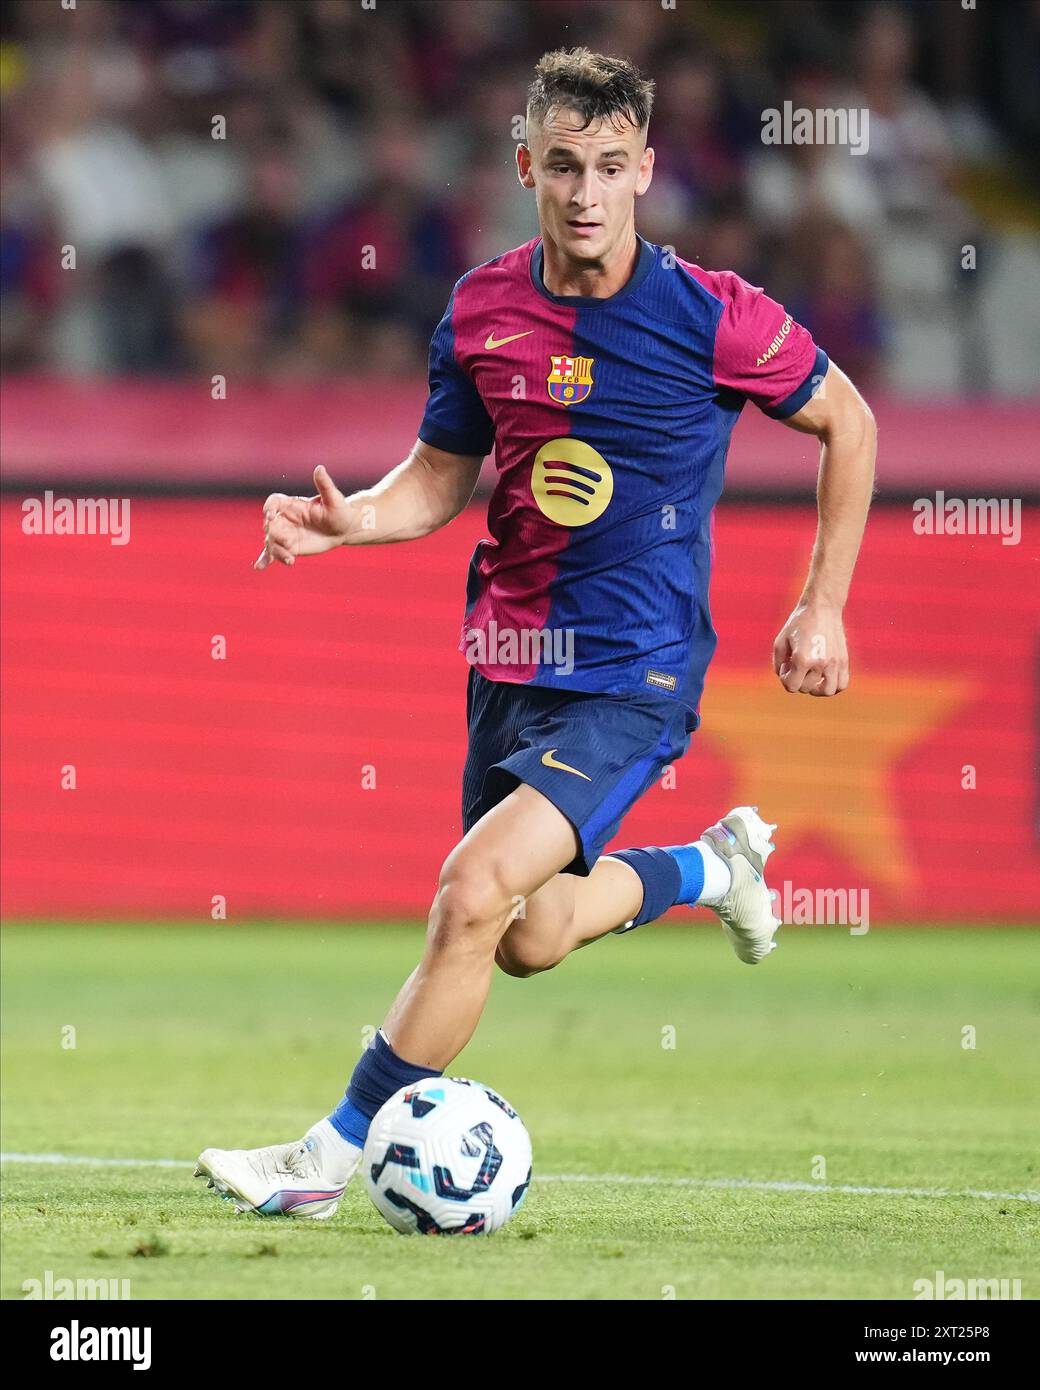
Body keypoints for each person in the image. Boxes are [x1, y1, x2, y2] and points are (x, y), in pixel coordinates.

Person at [195, 48, 876, 1219]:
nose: (584, 192)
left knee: (467, 892)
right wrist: (349, 521)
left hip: (636, 672)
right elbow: (440, 480)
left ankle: (325, 1154)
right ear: (525, 166)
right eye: (562, 165)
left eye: (610, 167)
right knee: (527, 933)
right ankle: (710, 866)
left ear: (644, 171)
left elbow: (847, 421)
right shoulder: (481, 308)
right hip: (507, 664)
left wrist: (822, 600)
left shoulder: (712, 316)